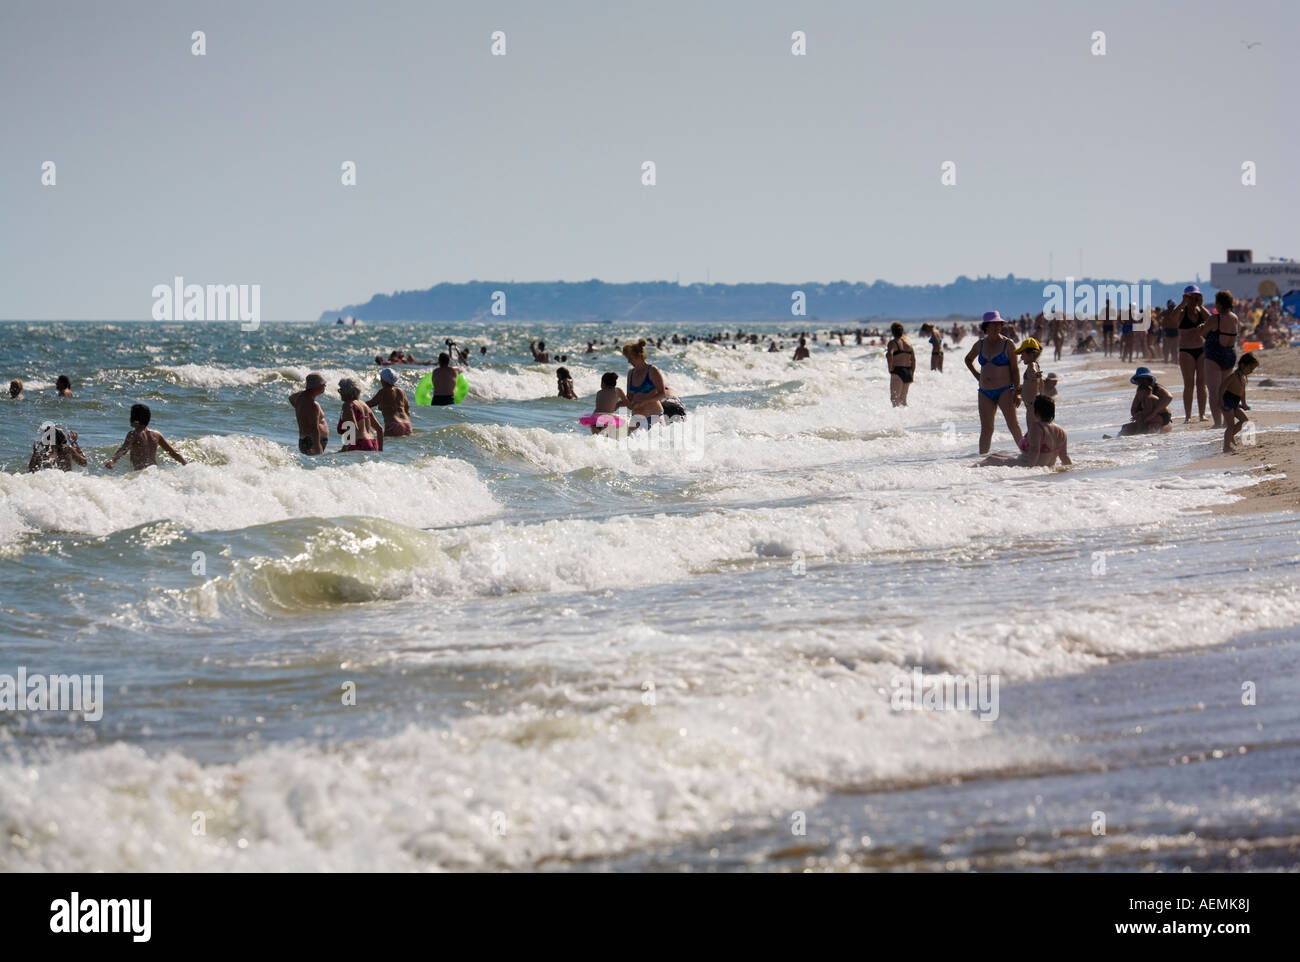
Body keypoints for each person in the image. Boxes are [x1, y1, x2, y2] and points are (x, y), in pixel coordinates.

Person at [964, 311, 1023, 454]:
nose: (998, 326)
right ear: (986, 326)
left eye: (999, 323)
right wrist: (977, 375)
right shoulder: (980, 344)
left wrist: (1017, 391)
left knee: (1013, 425)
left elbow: (1015, 370)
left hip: (1005, 390)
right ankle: (981, 460)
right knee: (987, 428)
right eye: (994, 323)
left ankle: (1028, 455)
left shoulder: (1008, 344)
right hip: (984, 392)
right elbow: (967, 359)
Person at [981, 396, 1070, 467]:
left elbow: (1035, 450)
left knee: (991, 459)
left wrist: (1029, 469)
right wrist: (1071, 469)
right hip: (1047, 466)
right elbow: (1064, 457)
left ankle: (968, 472)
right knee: (999, 454)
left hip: (1029, 464)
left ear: (1037, 411)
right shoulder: (1061, 432)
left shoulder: (1037, 427)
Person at [1170, 284, 1211, 422]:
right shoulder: (1182, 312)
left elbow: (1211, 321)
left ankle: (1202, 414)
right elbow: (1172, 319)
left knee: (1202, 383)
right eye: (1191, 296)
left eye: (1196, 296)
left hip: (1202, 349)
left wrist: (1201, 305)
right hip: (1186, 350)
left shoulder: (1201, 311)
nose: (1193, 299)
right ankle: (1187, 416)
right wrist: (1182, 303)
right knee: (1189, 384)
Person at [105, 403, 188, 470]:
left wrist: (113, 460)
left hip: (142, 474)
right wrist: (187, 466)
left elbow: (124, 449)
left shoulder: (133, 434)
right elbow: (174, 453)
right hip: (155, 472)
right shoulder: (157, 434)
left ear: (135, 419)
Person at [1202, 289, 1239, 428]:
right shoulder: (1234, 318)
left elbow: (1203, 333)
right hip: (1230, 354)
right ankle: (1226, 421)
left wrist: (1201, 327)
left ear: (1220, 304)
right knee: (1224, 391)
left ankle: (1217, 423)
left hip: (1214, 354)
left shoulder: (1215, 318)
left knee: (1214, 392)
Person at [1114, 367, 1173, 435]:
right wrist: (1136, 415)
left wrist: (1153, 413)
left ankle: (1142, 436)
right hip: (1148, 417)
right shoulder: (1140, 391)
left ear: (1148, 380)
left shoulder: (1156, 389)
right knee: (1126, 427)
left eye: (1143, 380)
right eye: (1139, 380)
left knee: (1151, 427)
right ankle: (1117, 438)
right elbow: (1133, 408)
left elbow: (1169, 397)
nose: (1141, 382)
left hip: (1160, 417)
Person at [623, 339, 667, 425]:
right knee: (627, 438)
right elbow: (629, 397)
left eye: (630, 358)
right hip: (636, 418)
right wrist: (616, 403)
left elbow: (662, 394)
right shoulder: (630, 373)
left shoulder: (652, 370)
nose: (628, 361)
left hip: (654, 416)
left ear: (639, 356)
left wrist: (644, 402)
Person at [1222, 353, 1259, 454]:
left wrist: (1244, 403)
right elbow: (1222, 387)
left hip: (1235, 402)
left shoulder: (1244, 377)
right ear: (1243, 365)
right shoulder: (1233, 376)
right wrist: (1220, 402)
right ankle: (1226, 447)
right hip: (1227, 402)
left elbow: (1242, 392)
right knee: (1230, 425)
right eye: (1250, 368)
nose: (1251, 371)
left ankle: (1230, 436)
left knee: (1244, 420)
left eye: (1253, 369)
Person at [336, 378, 383, 452]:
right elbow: (379, 429)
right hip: (373, 443)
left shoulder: (348, 405)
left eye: (340, 390)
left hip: (359, 444)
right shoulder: (364, 405)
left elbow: (352, 429)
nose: (339, 392)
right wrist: (380, 451)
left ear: (346, 392)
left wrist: (343, 450)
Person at [290, 373, 329, 455]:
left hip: (305, 440)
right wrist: (317, 447)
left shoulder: (299, 397)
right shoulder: (313, 405)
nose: (325, 385)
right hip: (312, 442)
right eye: (323, 384)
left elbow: (291, 398)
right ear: (316, 386)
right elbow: (314, 428)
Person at [366, 368, 413, 437]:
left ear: (383, 380)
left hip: (393, 424)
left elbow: (370, 404)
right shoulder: (401, 391)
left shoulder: (383, 392)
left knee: (384, 445)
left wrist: (357, 403)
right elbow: (407, 409)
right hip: (407, 424)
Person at [1016, 338, 1044, 427]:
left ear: (1031, 354)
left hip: (1032, 407)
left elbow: (1033, 371)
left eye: (1022, 354)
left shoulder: (1032, 365)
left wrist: (1034, 374)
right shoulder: (1035, 364)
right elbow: (1031, 384)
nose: (1021, 357)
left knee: (1032, 430)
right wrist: (1020, 388)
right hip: (1033, 405)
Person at [886, 322, 915, 406]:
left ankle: (896, 418)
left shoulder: (893, 343)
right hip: (908, 372)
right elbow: (913, 360)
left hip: (898, 371)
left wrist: (890, 367)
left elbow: (889, 354)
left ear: (892, 332)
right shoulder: (909, 344)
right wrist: (912, 373)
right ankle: (907, 417)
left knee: (895, 400)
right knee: (903, 400)